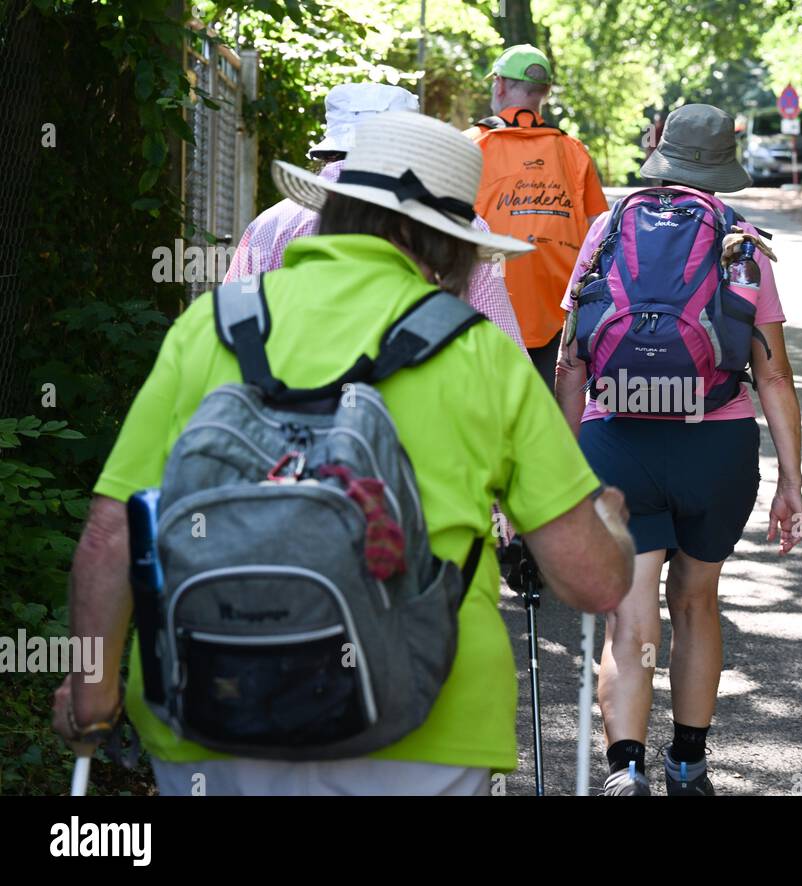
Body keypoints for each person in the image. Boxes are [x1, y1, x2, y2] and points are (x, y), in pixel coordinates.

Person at [52, 111, 636, 795]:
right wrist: (612, 520)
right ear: (450, 250)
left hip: (208, 710)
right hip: (424, 731)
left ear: (326, 213)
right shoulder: (480, 352)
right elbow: (590, 582)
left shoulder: (212, 326)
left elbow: (110, 531)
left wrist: (92, 690)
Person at [556, 104, 802, 795]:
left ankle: (625, 769)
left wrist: (562, 464)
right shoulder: (742, 243)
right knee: (696, 601)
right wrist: (791, 480)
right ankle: (689, 763)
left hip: (618, 441)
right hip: (715, 445)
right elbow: (775, 374)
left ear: (658, 151)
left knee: (631, 617)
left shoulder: (608, 229)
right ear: (724, 164)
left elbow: (572, 360)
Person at [224, 82, 526, 352]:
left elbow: (233, 325)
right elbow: (502, 352)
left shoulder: (269, 225)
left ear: (328, 151)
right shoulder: (461, 227)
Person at [466, 44, 608, 381]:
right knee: (551, 420)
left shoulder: (468, 146)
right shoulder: (573, 151)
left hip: (484, 311)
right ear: (544, 92)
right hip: (560, 319)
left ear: (499, 85)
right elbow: (599, 233)